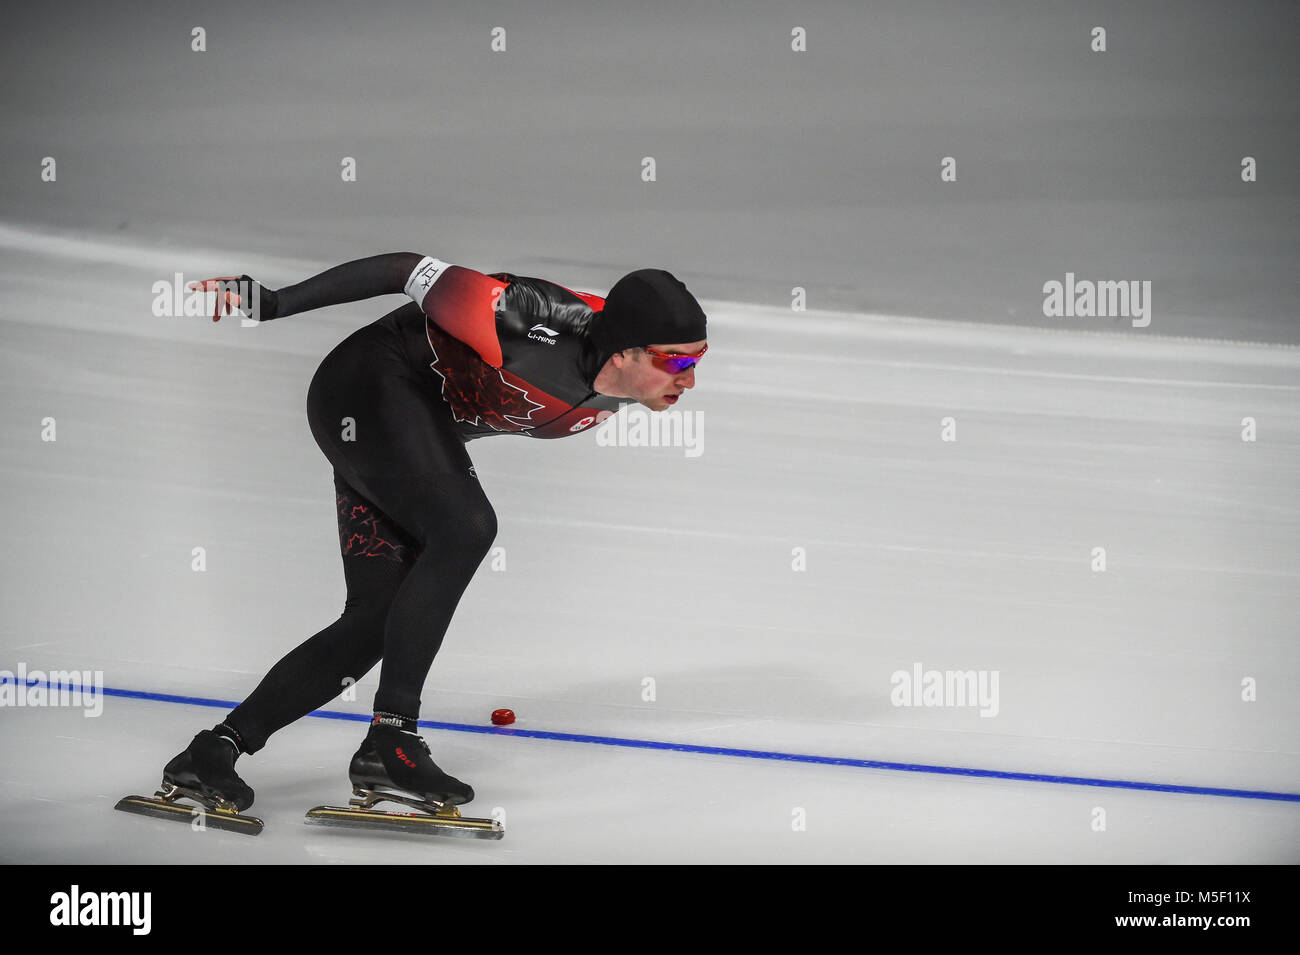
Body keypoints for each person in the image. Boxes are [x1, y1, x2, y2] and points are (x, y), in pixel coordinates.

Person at [159, 254, 708, 814]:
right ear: (625, 350)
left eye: (699, 358)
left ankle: (212, 751)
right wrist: (277, 303)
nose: (690, 377)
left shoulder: (630, 380)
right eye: (678, 360)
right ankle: (392, 738)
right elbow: (405, 268)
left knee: (376, 620)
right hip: (366, 385)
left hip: (401, 432)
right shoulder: (524, 316)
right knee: (465, 526)